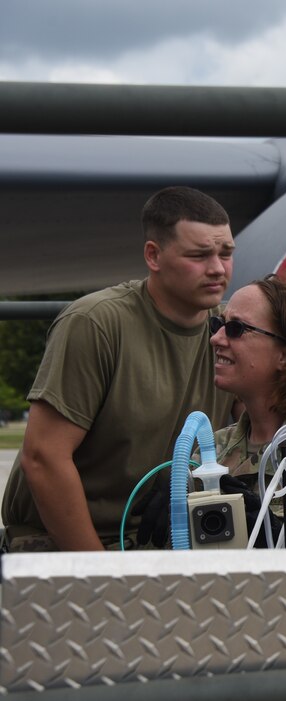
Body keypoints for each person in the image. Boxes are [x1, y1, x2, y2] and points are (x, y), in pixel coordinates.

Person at [2, 187, 237, 552]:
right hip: (68, 541)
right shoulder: (96, 323)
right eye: (199, 255)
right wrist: (104, 573)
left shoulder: (231, 329)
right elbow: (44, 456)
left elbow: (260, 434)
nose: (218, 268)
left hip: (175, 536)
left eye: (226, 253)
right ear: (153, 256)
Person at [136, 273, 286, 549]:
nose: (216, 338)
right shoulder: (210, 451)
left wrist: (283, 538)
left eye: (236, 328)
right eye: (218, 324)